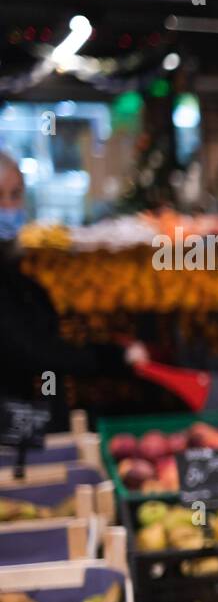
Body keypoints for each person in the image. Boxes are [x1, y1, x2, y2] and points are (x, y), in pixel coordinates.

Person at [0, 152, 147, 428]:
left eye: (15, 195)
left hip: (26, 418)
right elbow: (27, 348)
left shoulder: (17, 271)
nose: (8, 207)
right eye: (0, 196)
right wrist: (109, 358)